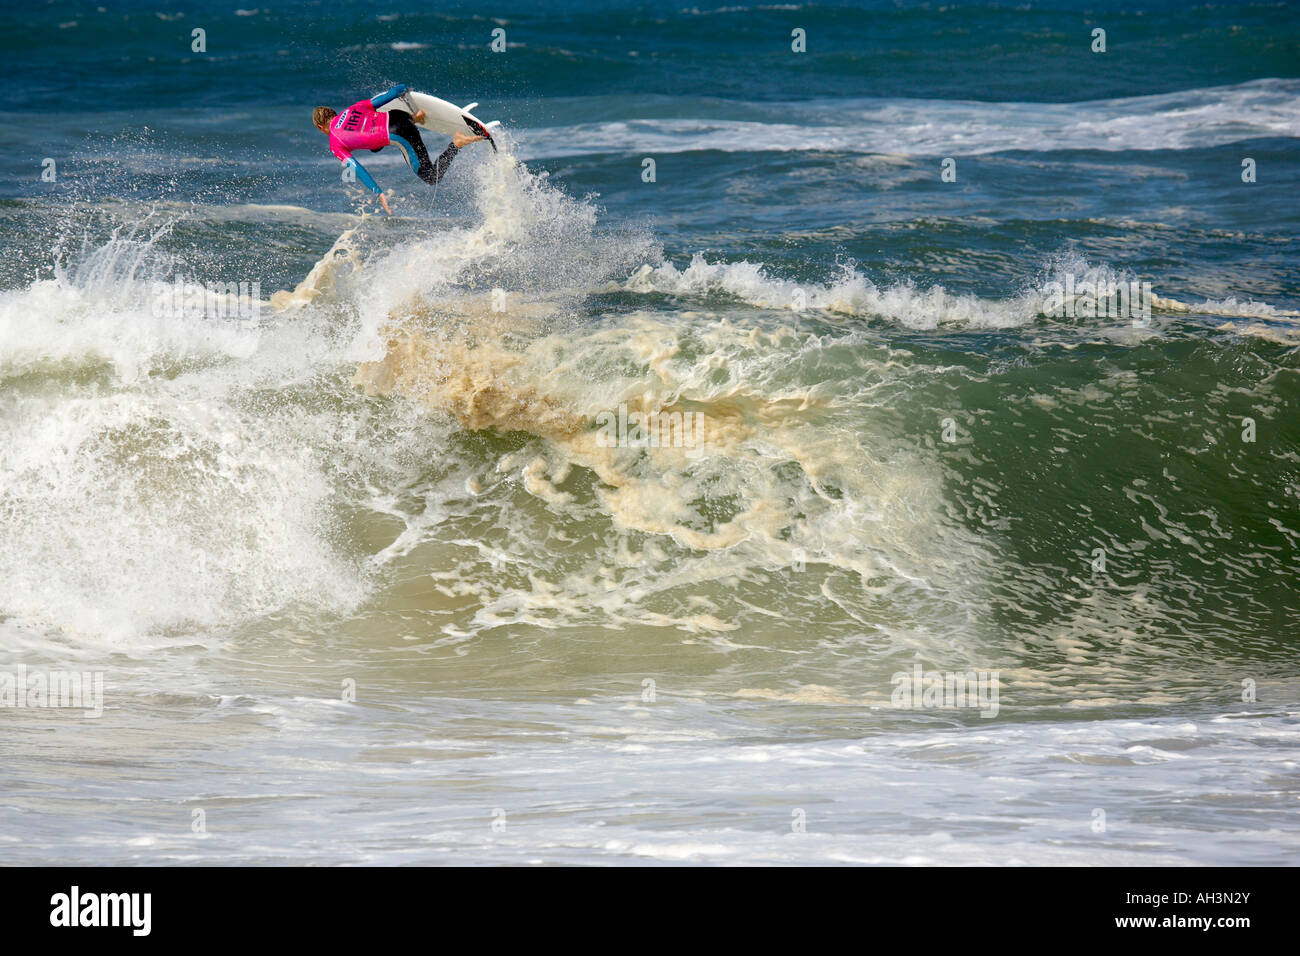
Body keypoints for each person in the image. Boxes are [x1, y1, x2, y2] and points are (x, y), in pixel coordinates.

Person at [313, 84, 485, 214]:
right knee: (375, 146)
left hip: (399, 134)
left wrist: (379, 193)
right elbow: (397, 91)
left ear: (321, 127)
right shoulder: (353, 108)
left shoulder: (335, 143)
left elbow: (357, 168)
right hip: (398, 114)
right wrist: (410, 101)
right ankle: (414, 117)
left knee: (431, 177)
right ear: (334, 114)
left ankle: (457, 143)